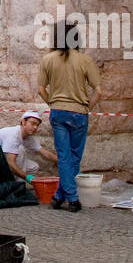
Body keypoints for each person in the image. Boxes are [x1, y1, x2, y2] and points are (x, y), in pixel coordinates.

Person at [37, 38, 102, 211]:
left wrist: (52, 103)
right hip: (79, 113)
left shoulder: (48, 59)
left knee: (64, 157)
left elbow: (40, 89)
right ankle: (72, 199)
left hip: (58, 112)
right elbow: (99, 91)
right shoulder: (84, 59)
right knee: (74, 157)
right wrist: (88, 107)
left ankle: (59, 196)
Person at [0, 110, 57, 181]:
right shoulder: (13, 134)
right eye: (32, 123)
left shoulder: (28, 137)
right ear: (23, 122)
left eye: (37, 125)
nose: (35, 128)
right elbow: (10, 163)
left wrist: (62, 161)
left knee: (33, 167)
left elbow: (45, 153)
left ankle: (20, 182)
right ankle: (16, 185)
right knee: (20, 151)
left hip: (5, 161)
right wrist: (28, 178)